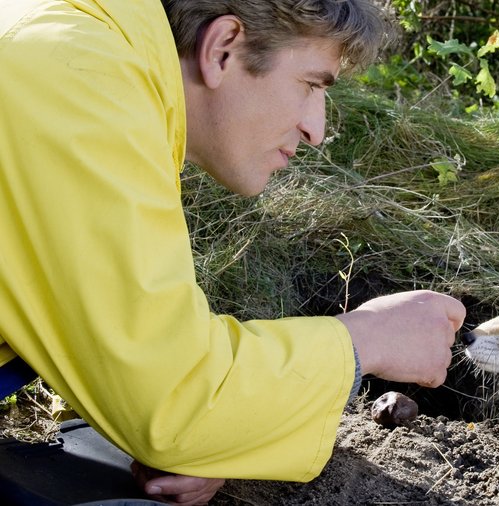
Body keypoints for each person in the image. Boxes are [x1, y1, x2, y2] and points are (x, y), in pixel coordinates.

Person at [0, 0, 466, 504]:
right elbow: (172, 402)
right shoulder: (79, 81)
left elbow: (131, 347)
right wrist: (365, 340)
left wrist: (221, 438)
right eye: (311, 84)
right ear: (222, 48)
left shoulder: (81, 52)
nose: (317, 129)